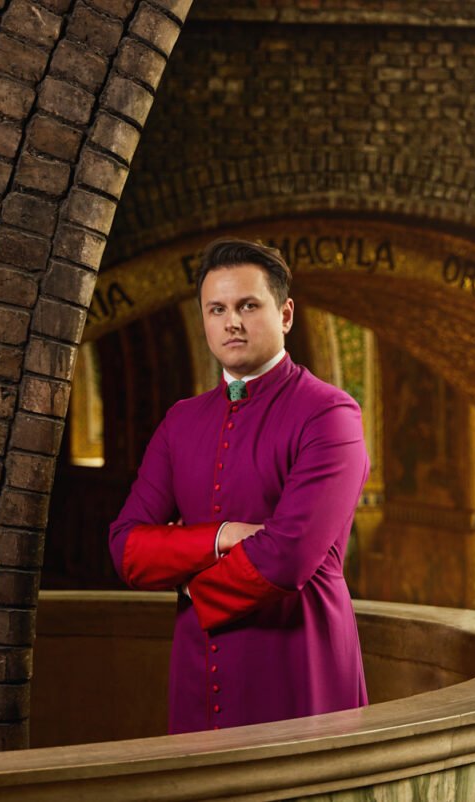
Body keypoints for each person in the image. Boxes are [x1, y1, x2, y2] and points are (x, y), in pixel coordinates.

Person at [108, 239, 370, 733]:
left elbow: (288, 557)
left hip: (298, 653)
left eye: (248, 306)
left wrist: (186, 579)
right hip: (196, 661)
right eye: (217, 308)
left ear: (285, 313)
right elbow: (125, 546)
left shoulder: (330, 414)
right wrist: (221, 536)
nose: (232, 321)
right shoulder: (181, 421)